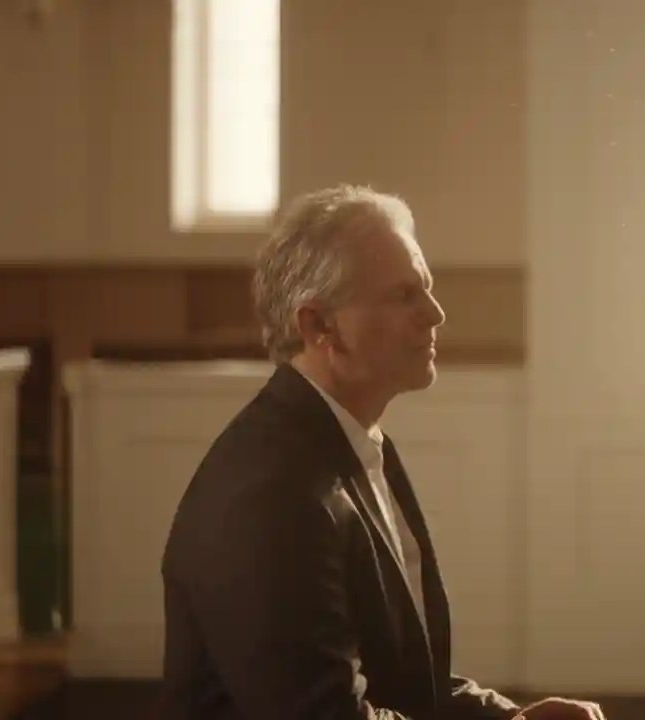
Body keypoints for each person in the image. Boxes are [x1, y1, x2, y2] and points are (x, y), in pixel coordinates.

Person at [161, 184, 605, 720]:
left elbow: (405, 682)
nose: (436, 314)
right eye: (403, 296)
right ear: (319, 326)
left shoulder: (350, 441)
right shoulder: (274, 494)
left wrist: (511, 718)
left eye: (427, 288)